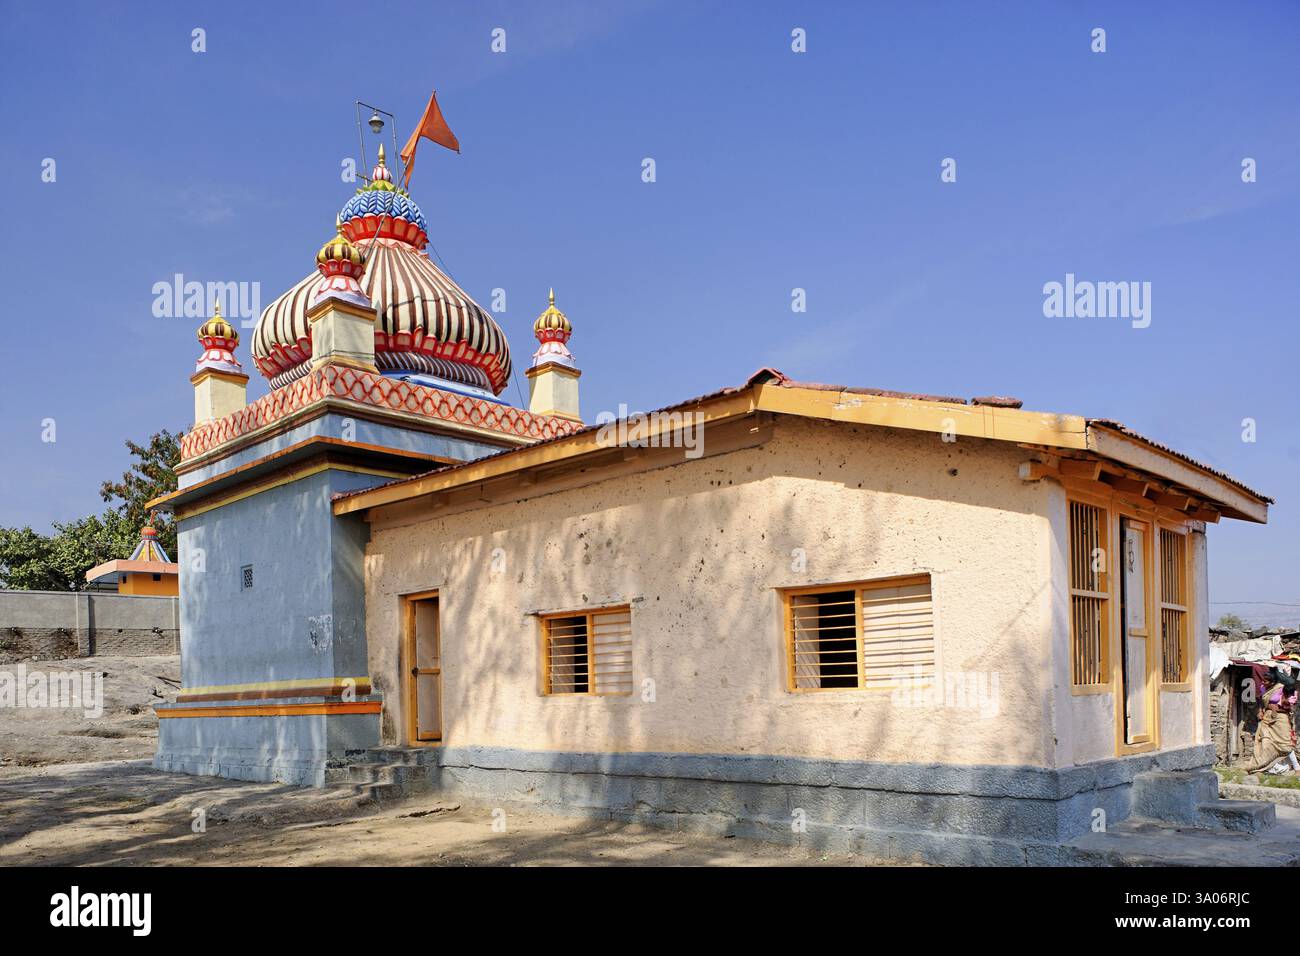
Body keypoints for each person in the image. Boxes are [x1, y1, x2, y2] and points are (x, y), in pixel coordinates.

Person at [1246, 673, 1298, 773]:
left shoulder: (1283, 689)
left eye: (1265, 681)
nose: (1262, 682)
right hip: (1267, 718)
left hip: (1281, 718)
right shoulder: (1263, 687)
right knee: (1264, 741)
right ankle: (1261, 767)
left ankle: (1297, 768)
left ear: (1273, 682)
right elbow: (1262, 700)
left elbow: (1290, 707)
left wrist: (1281, 705)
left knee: (1284, 743)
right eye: (1263, 680)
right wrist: (1260, 711)